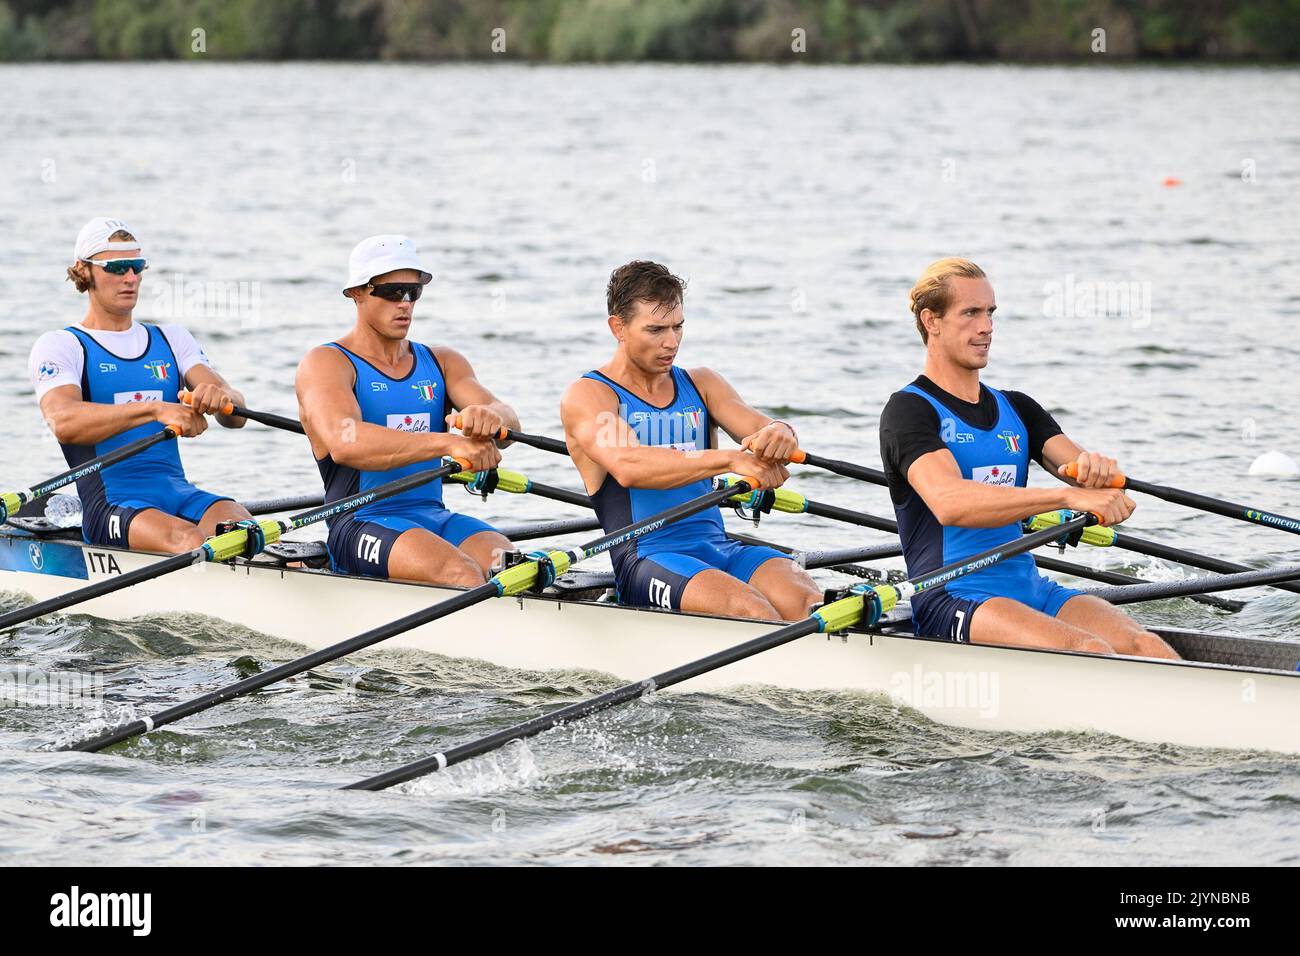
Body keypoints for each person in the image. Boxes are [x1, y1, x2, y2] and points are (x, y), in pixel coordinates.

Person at [878, 257, 1178, 658]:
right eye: (970, 313)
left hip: (1031, 589)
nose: (986, 327)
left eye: (989, 313)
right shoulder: (910, 411)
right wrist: (1066, 498)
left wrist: (1097, 472)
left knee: (1145, 645)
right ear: (932, 321)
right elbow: (950, 503)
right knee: (1088, 649)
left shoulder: (1017, 409)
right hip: (951, 597)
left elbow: (1079, 471)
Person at [560, 260, 822, 622]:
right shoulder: (591, 396)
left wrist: (780, 433)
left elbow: (763, 427)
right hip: (648, 558)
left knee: (811, 603)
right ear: (617, 327)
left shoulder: (702, 383)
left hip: (720, 547)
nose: (671, 342)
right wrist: (730, 460)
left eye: (678, 327)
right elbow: (628, 466)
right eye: (655, 330)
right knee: (752, 610)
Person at [296, 235, 517, 586]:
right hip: (360, 522)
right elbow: (345, 442)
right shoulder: (327, 363)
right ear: (356, 292)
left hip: (435, 517)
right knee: (462, 573)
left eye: (414, 292)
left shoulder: (442, 362)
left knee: (518, 571)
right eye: (392, 291)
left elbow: (506, 417)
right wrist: (448, 444)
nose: (405, 304)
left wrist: (489, 417)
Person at [29, 217, 250, 553]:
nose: (130, 278)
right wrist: (155, 409)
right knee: (189, 540)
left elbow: (238, 416)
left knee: (245, 530)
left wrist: (222, 398)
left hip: (179, 493)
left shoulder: (172, 339)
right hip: (111, 505)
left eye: (136, 266)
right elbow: (65, 422)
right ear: (83, 270)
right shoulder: (61, 345)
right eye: (117, 267)